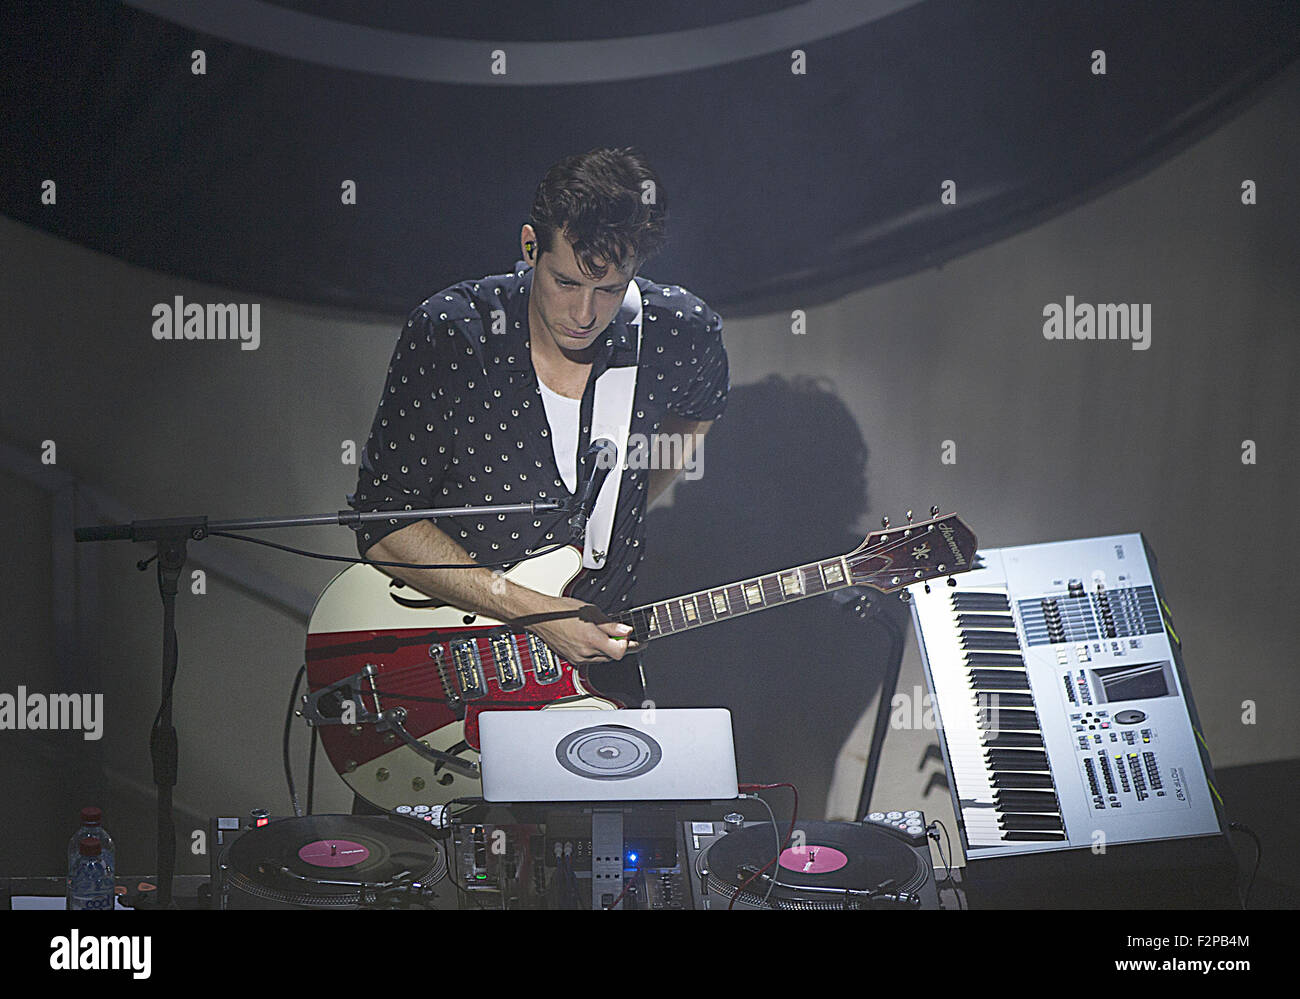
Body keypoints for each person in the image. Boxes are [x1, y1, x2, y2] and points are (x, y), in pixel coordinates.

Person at [349, 147, 729, 701]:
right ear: (530, 246)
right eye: (567, 283)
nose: (584, 315)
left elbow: (699, 409)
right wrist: (536, 612)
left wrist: (622, 502)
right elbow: (382, 525)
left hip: (596, 679)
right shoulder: (454, 332)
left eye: (610, 290)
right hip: (446, 668)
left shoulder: (682, 333)